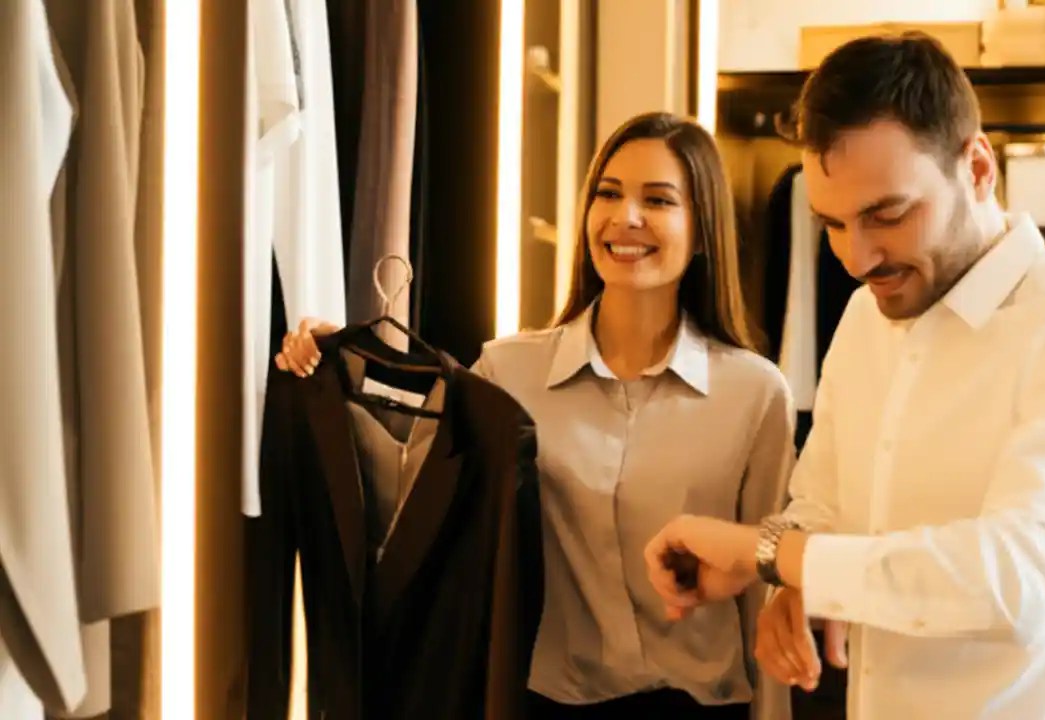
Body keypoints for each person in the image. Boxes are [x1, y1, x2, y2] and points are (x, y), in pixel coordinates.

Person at [642, 34, 1045, 720]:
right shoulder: (864, 316)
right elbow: (825, 500)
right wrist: (788, 584)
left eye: (888, 215)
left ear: (976, 167)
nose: (857, 258)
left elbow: (1020, 581)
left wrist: (769, 553)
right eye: (832, 224)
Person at [275, 112, 795, 719]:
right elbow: (409, 470)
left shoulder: (755, 394)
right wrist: (340, 358)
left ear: (703, 231)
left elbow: (767, 592)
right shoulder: (507, 373)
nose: (625, 217)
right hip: (546, 705)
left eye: (657, 200)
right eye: (608, 193)